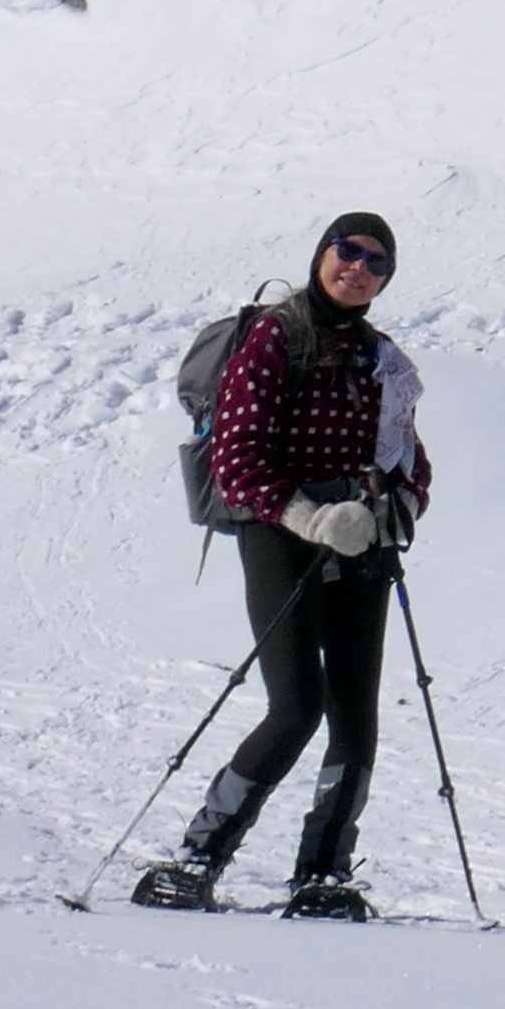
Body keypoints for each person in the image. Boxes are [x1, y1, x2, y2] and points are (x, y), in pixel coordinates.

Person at [133, 211, 432, 921]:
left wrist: (401, 508)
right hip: (279, 531)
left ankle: (323, 873)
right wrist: (310, 517)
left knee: (355, 713)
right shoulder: (275, 335)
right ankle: (198, 857)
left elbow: (412, 461)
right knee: (295, 705)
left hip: (363, 538)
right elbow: (237, 461)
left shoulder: (381, 357)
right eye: (347, 251)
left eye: (375, 262)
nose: (356, 268)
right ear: (321, 253)